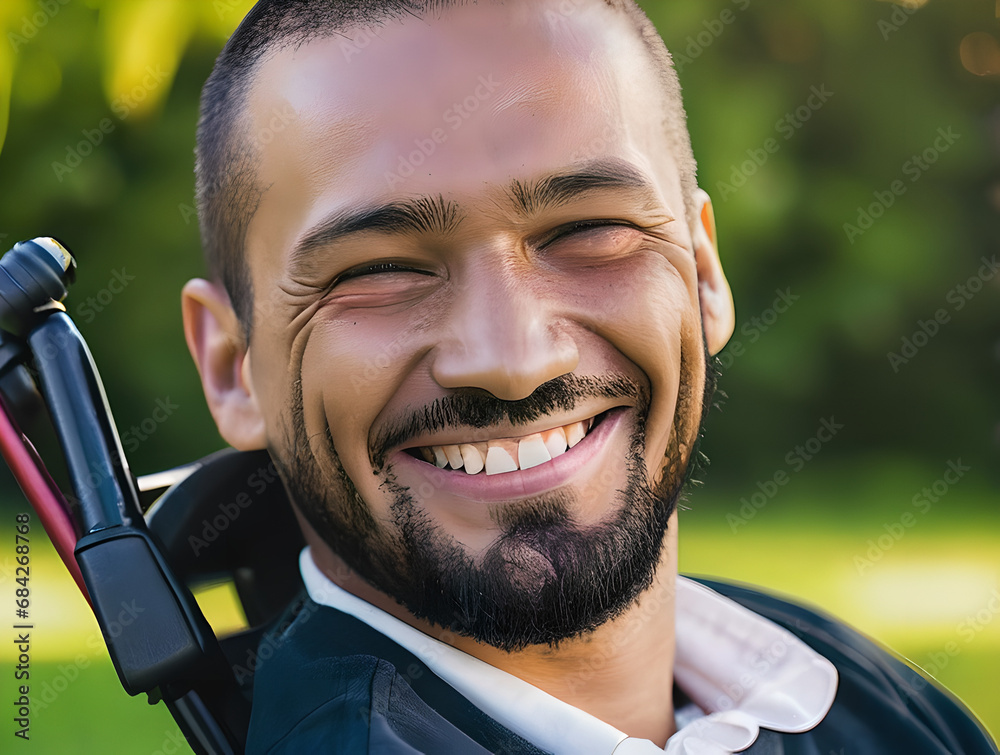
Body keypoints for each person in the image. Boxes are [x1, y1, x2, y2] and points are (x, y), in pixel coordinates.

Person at [180, 0, 998, 752]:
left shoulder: (873, 704)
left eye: (589, 229)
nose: (513, 359)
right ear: (231, 367)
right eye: (382, 269)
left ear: (704, 273)